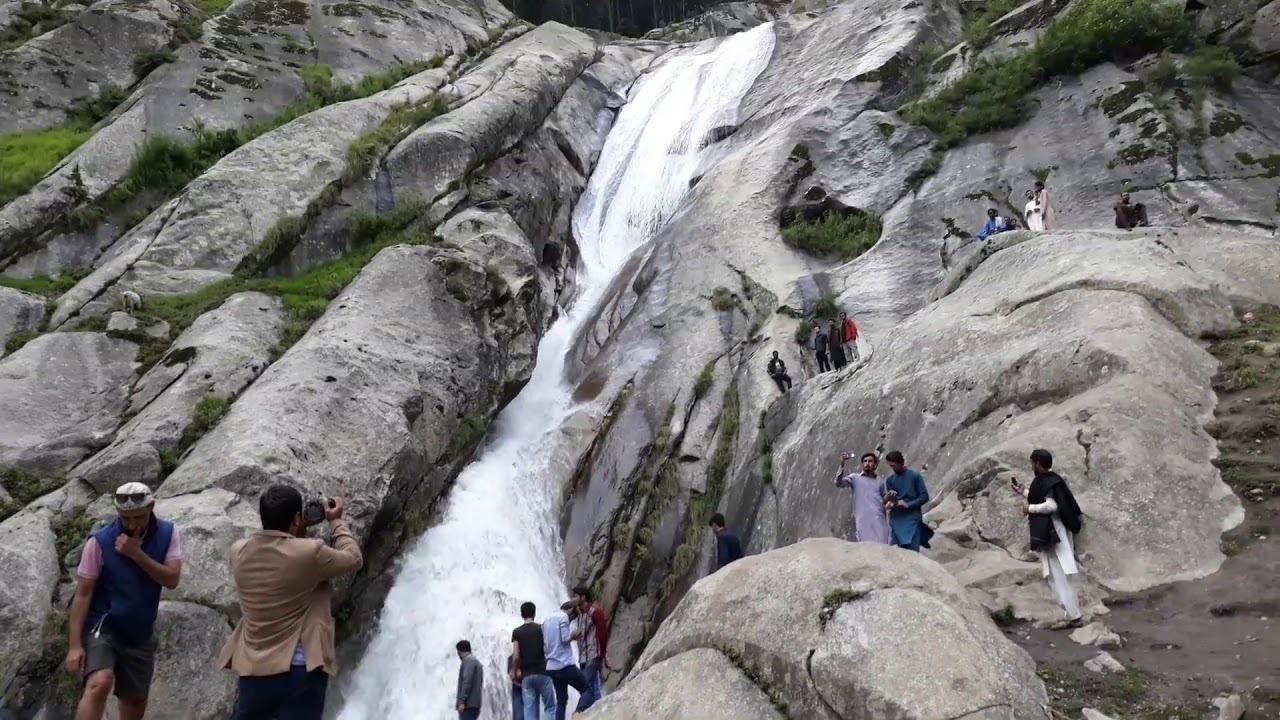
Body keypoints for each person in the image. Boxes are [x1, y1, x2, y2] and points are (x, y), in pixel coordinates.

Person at [220, 484, 363, 720]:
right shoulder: (310, 553)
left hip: (254, 672)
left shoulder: (238, 551)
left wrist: (295, 528)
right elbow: (353, 558)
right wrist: (336, 522)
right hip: (300, 670)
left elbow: (276, 550)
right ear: (297, 519)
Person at [65, 482, 181, 720]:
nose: (132, 524)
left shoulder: (169, 533)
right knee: (99, 682)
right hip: (103, 627)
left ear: (152, 507)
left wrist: (136, 554)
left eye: (138, 516)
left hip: (139, 631)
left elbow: (171, 580)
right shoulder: (99, 542)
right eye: (125, 518)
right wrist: (75, 646)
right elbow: (83, 593)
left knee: (134, 702)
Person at [1014, 449, 1085, 630]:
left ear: (1038, 463)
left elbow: (1051, 505)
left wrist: (1030, 508)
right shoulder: (1051, 480)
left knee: (1058, 575)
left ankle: (1073, 616)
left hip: (1054, 533)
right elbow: (1044, 496)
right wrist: (1024, 492)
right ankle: (1071, 613)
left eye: (1032, 463)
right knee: (1057, 575)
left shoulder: (1046, 481)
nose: (1032, 467)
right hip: (1055, 531)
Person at [544, 601, 588, 720]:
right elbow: (564, 639)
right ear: (571, 609)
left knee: (561, 700)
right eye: (575, 614)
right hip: (565, 665)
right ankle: (577, 715)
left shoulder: (547, 620)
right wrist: (573, 635)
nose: (573, 618)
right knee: (587, 690)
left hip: (551, 667)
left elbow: (545, 645)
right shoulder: (563, 617)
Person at [835, 452, 892, 545]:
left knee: (883, 545)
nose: (867, 463)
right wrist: (842, 465)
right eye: (865, 461)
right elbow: (839, 483)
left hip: (879, 518)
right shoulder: (854, 478)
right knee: (866, 546)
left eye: (870, 461)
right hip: (863, 519)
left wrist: (889, 500)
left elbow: (884, 499)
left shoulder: (880, 482)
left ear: (875, 464)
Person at [883, 451, 934, 552]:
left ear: (902, 462)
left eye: (894, 465)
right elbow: (892, 500)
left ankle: (923, 538)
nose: (893, 468)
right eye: (891, 466)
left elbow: (924, 496)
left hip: (912, 518)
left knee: (912, 550)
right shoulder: (890, 480)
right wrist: (890, 501)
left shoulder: (915, 476)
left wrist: (908, 504)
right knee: (900, 550)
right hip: (896, 519)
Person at [512, 602, 554, 720]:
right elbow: (548, 649)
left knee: (530, 710)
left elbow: (515, 656)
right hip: (544, 673)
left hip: (527, 676)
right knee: (550, 707)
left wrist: (515, 673)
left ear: (521, 615)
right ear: (535, 613)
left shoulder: (517, 632)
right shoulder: (542, 628)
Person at [571, 585, 609, 710]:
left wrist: (603, 654)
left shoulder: (595, 612)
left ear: (583, 597)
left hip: (593, 655)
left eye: (576, 596)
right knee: (593, 688)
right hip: (582, 657)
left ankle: (578, 712)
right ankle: (600, 712)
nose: (574, 598)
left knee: (585, 686)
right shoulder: (580, 614)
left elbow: (603, 633)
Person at [455, 640, 483, 719]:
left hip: (468, 705)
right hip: (474, 704)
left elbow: (467, 681)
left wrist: (462, 701)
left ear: (459, 651)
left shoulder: (469, 661)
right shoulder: (475, 661)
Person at [507, 655, 524, 720]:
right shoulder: (511, 658)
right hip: (517, 688)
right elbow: (511, 674)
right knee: (518, 714)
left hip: (523, 687)